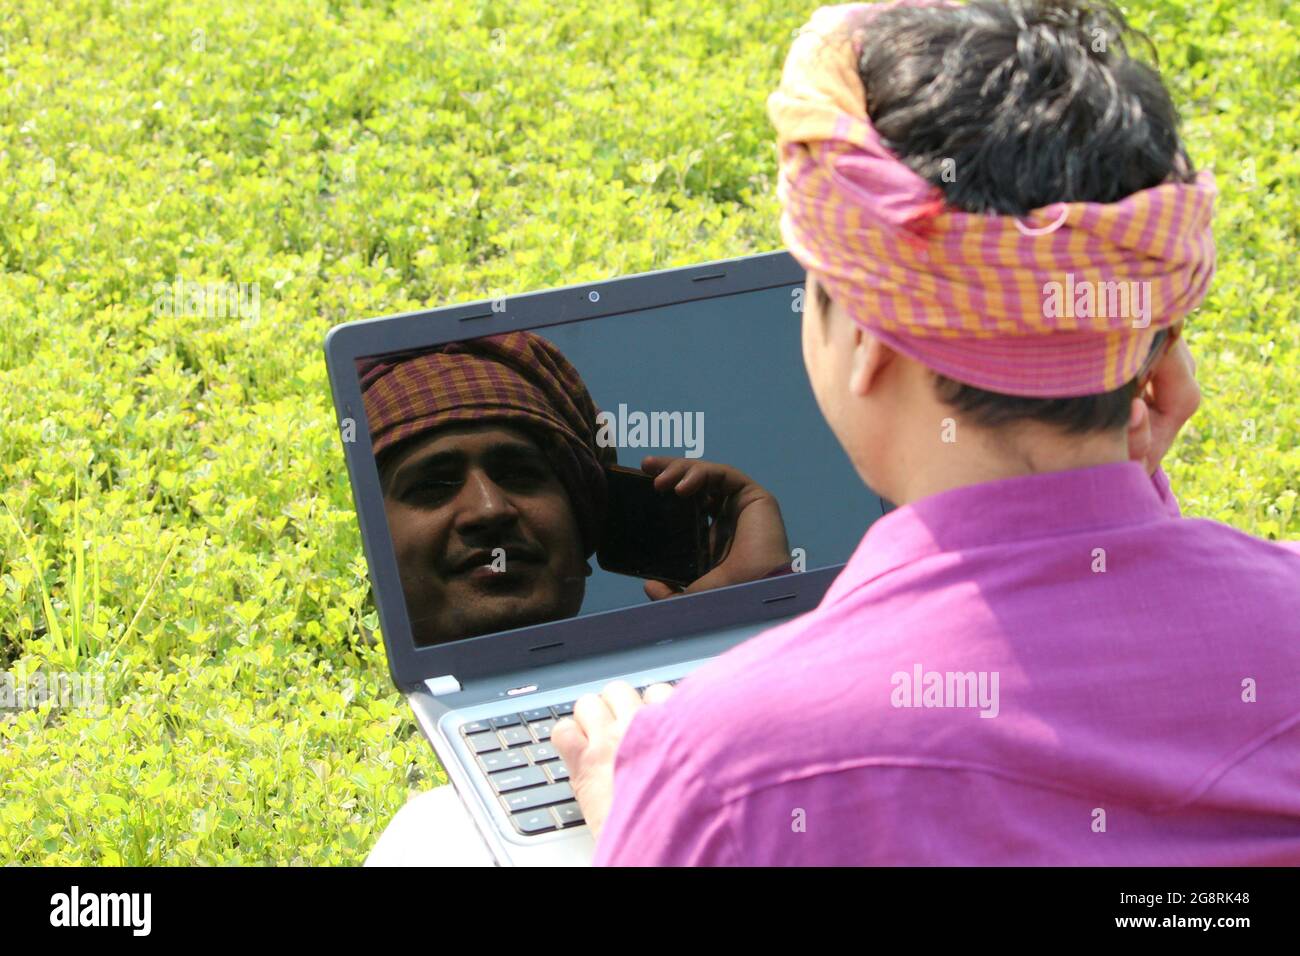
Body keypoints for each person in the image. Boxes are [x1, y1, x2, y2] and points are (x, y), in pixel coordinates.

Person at [549, 0, 1300, 865]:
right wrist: (1116, 505)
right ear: (1147, 350)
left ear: (866, 341)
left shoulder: (728, 772)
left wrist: (640, 825)